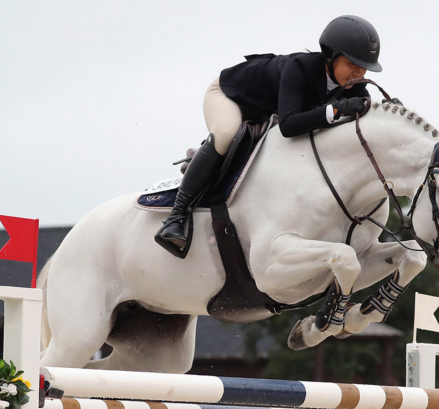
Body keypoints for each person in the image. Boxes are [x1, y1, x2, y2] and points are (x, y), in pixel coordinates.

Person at [154, 15, 383, 256]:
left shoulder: (354, 84)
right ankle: (175, 218)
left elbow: (363, 111)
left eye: (363, 67)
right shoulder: (300, 68)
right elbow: (289, 125)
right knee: (226, 133)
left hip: (264, 111)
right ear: (330, 56)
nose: (358, 73)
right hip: (229, 96)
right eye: (351, 64)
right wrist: (335, 110)